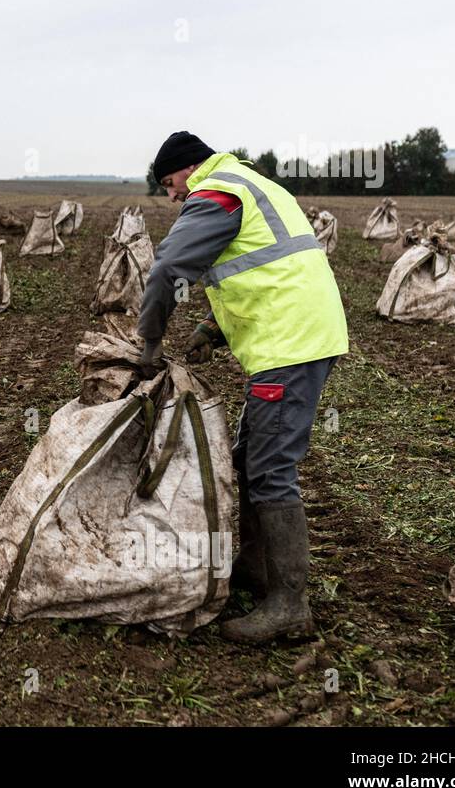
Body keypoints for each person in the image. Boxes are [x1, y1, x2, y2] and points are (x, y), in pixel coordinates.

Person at [136, 131, 348, 644]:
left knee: (271, 469)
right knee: (252, 457)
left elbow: (167, 269)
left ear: (190, 168)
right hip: (302, 337)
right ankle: (257, 572)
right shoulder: (255, 184)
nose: (170, 196)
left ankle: (289, 608)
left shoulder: (216, 192)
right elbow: (264, 263)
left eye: (169, 184)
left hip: (288, 345)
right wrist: (213, 327)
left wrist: (147, 347)